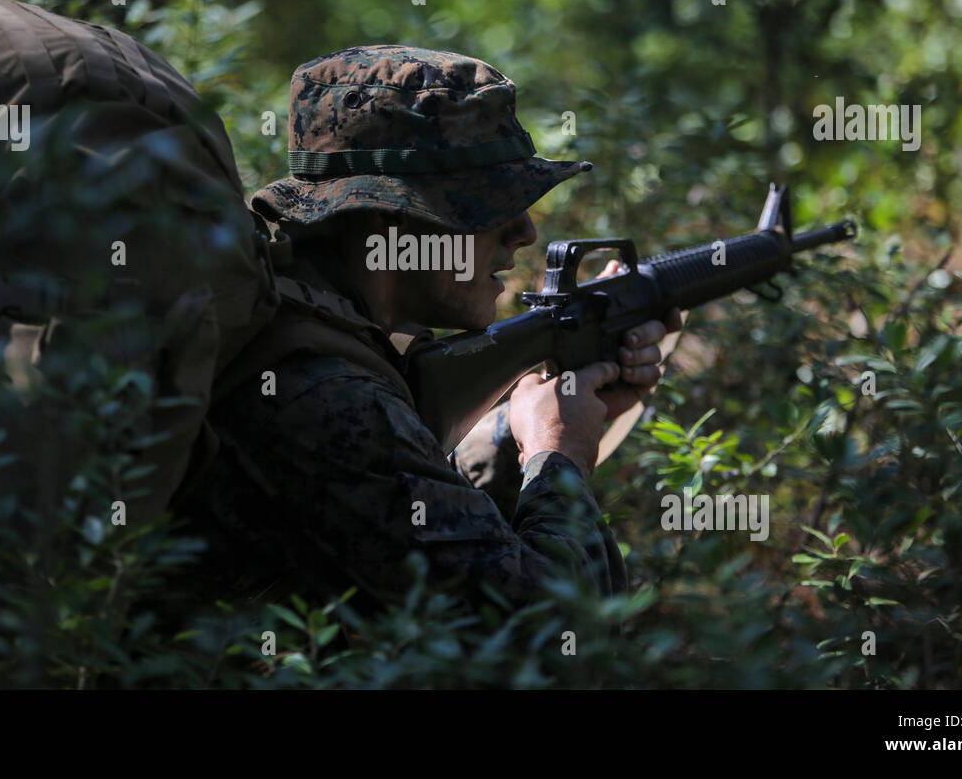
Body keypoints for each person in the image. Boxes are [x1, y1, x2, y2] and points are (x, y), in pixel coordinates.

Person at [174, 44, 683, 611]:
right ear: (392, 221)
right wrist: (558, 453)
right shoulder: (322, 391)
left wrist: (511, 434)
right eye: (487, 204)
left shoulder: (318, 325)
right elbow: (554, 637)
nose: (524, 232)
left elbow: (397, 510)